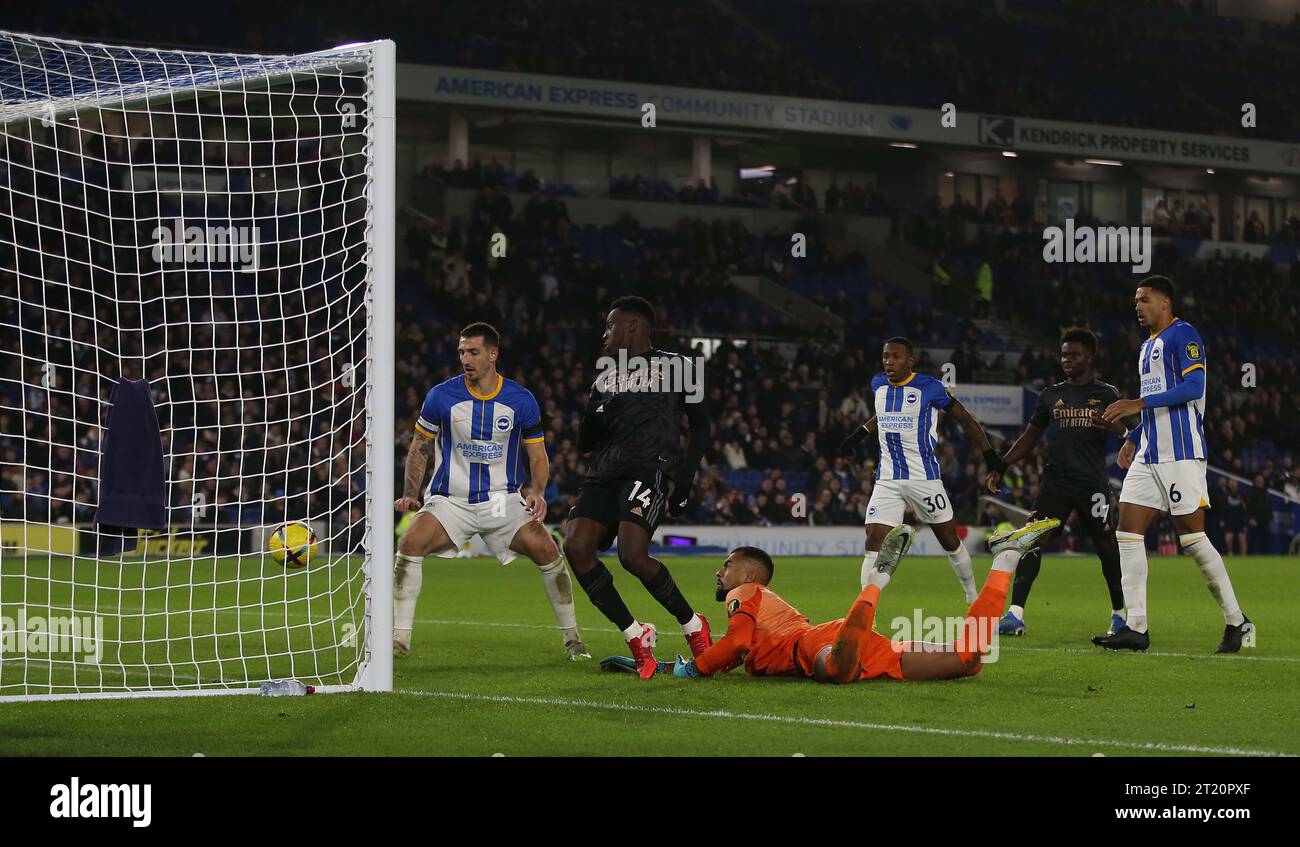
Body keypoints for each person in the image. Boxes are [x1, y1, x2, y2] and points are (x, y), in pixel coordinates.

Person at [602, 518, 1062, 683]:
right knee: (967, 661)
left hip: (817, 648)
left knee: (838, 671)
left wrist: (692, 670)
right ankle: (1006, 560)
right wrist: (665, 665)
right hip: (850, 642)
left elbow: (738, 644)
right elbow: (741, 654)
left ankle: (878, 578)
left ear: (746, 572)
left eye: (725, 565)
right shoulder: (764, 600)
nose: (718, 573)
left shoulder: (745, 592)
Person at [392, 322, 589, 659]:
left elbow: (537, 454)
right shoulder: (441, 396)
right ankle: (399, 640)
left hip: (502, 502)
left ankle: (573, 640)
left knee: (548, 552)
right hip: (451, 501)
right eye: (461, 352)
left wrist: (538, 490)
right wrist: (411, 492)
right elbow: (419, 448)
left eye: (473, 351)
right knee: (410, 543)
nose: (465, 358)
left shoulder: (520, 400)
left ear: (493, 354)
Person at [1096, 275, 1253, 653]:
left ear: (1165, 303)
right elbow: (1156, 400)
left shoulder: (1185, 335)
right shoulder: (1146, 346)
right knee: (1128, 532)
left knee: (1193, 540)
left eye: (1144, 299)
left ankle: (1238, 622)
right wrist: (1134, 437)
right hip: (1150, 453)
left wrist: (1135, 404)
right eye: (1136, 300)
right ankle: (1136, 627)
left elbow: (1192, 388)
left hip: (1181, 454)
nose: (1138, 306)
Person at [563, 296, 713, 679]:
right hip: (603, 473)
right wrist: (597, 412)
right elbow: (584, 442)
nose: (605, 334)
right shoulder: (603, 379)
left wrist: (685, 479)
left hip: (649, 469)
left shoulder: (679, 367)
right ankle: (636, 634)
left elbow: (700, 426)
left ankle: (693, 625)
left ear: (631, 326)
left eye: (610, 325)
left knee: (632, 555)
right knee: (576, 547)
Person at [839, 337, 1007, 603]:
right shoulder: (878, 384)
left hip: (923, 478)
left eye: (895, 357)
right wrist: (858, 435)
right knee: (873, 539)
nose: (889, 362)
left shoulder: (930, 387)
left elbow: (964, 417)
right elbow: (883, 416)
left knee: (949, 540)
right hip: (888, 478)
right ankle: (864, 612)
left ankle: (972, 596)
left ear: (910, 360)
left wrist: (989, 455)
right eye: (885, 356)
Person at [984, 327, 1127, 638]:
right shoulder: (1050, 395)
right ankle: (1015, 615)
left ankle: (1119, 615)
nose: (1067, 359)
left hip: (1093, 485)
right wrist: (1002, 464)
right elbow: (1030, 437)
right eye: (1064, 354)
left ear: (1090, 357)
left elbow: (1125, 432)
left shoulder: (1107, 394)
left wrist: (1116, 429)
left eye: (1075, 354)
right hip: (1056, 484)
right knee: (1032, 543)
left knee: (1106, 547)